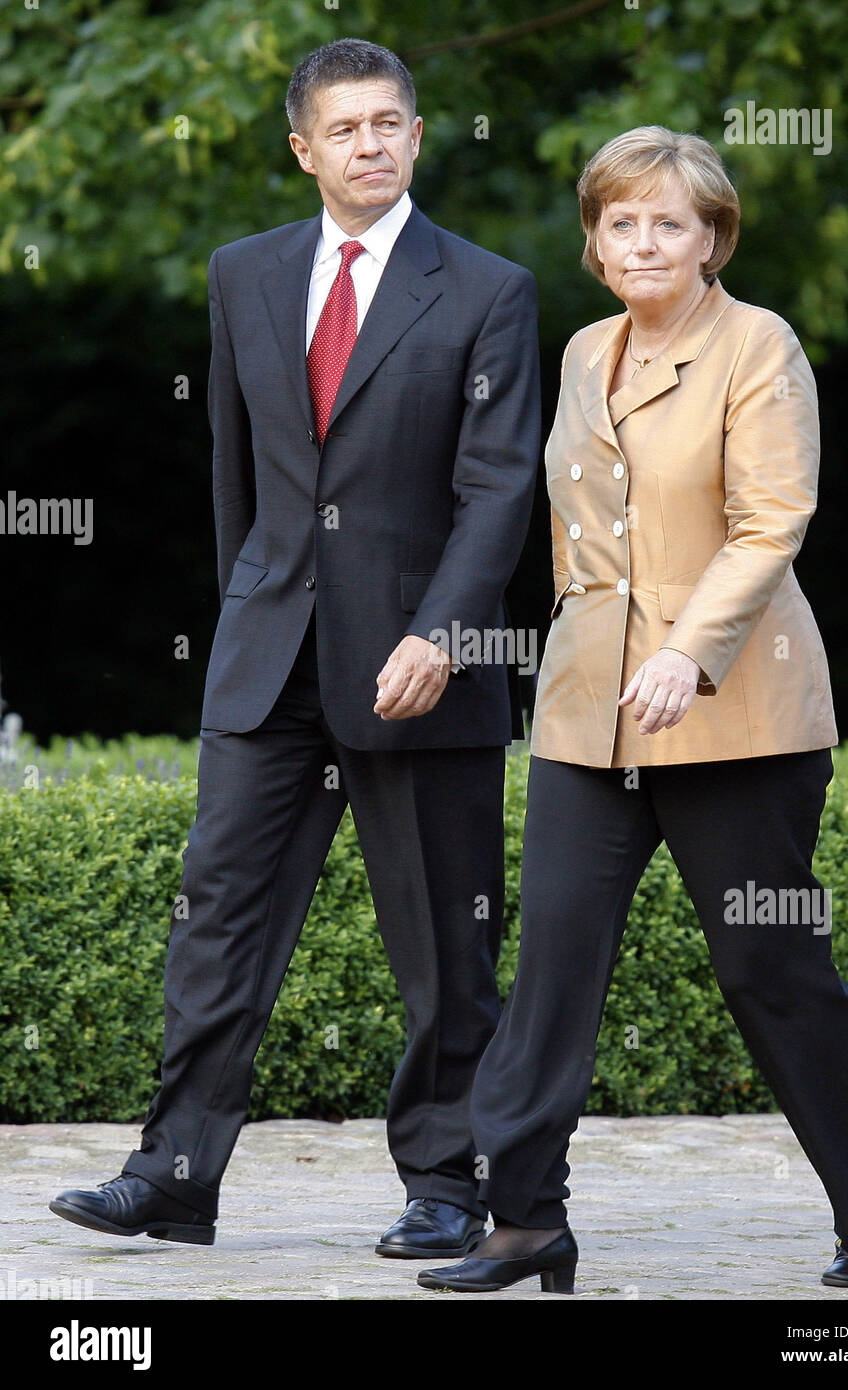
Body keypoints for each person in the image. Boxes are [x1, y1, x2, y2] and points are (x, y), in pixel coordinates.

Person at [49, 38, 540, 1261]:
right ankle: (171, 1174)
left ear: (419, 138)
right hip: (269, 657)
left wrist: (444, 633)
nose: (370, 144)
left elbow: (498, 491)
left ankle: (447, 1182)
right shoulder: (243, 274)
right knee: (215, 917)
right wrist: (247, 613)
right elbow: (239, 473)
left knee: (443, 939)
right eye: (346, 128)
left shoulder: (489, 290)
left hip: (422, 669)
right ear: (303, 150)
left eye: (391, 123)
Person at [418, 126, 848, 1295]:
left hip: (739, 717)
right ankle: (527, 1217)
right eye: (621, 221)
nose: (644, 241)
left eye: (670, 223)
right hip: (591, 717)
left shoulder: (759, 344)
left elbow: (770, 523)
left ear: (711, 239)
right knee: (550, 965)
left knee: (768, 966)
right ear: (595, 243)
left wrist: (689, 655)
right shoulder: (587, 350)